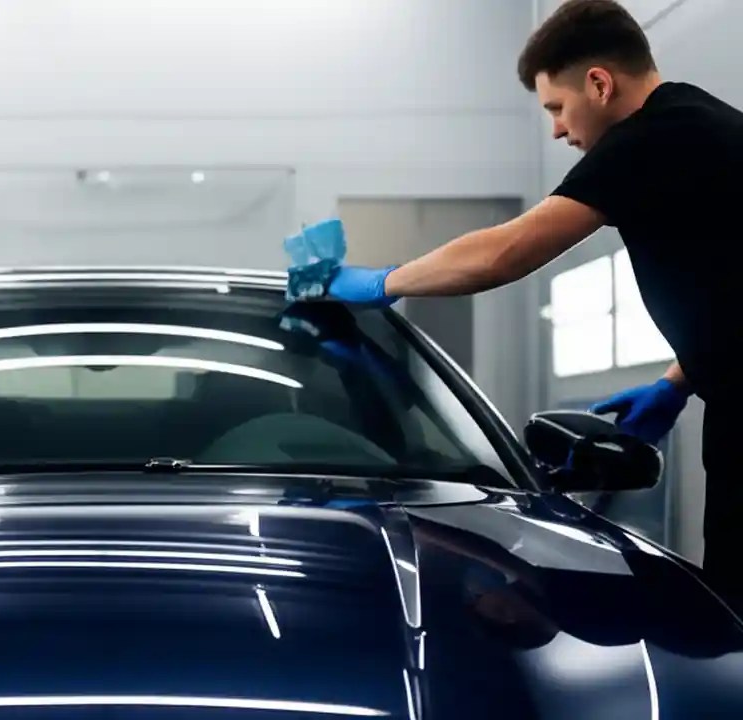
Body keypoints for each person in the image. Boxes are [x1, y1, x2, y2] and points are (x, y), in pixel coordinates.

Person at [303, 0, 742, 605]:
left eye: (557, 108)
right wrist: (678, 380)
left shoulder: (651, 140)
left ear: (599, 83)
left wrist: (385, 282)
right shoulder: (698, 124)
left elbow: (505, 252)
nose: (558, 129)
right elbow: (729, 280)